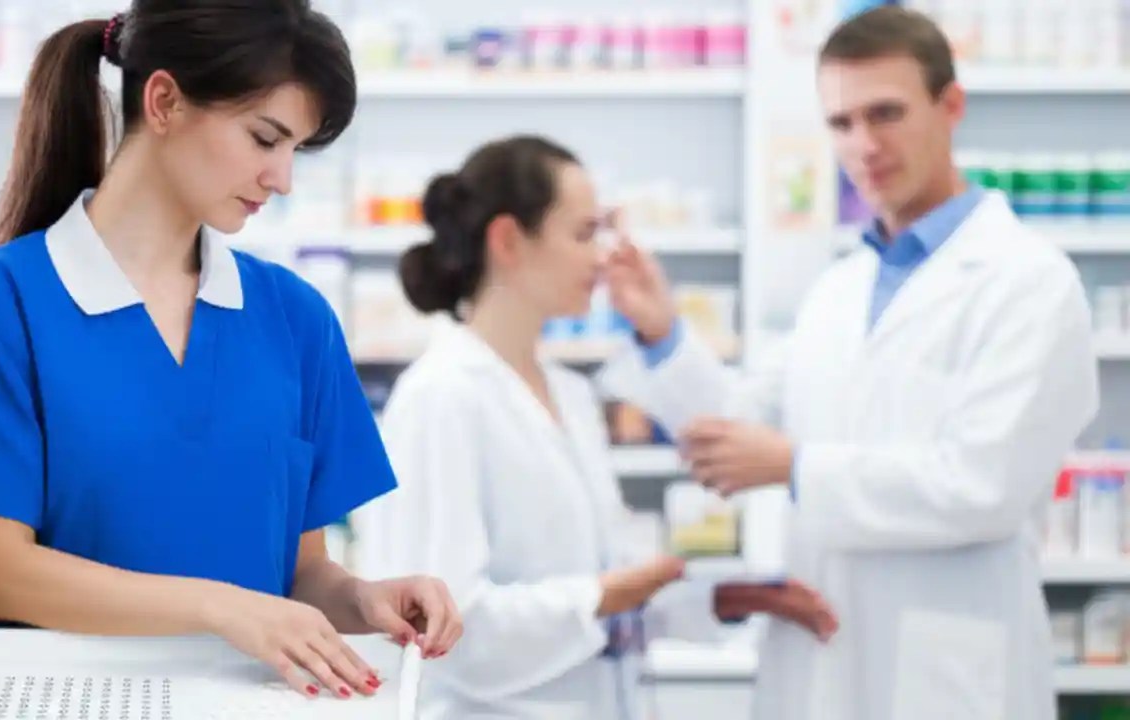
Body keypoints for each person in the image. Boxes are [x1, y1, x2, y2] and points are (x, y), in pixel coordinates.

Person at [0, 0, 461, 700]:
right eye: (264, 138)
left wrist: (363, 601)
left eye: (295, 151)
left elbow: (301, 574)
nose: (282, 179)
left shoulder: (294, 318)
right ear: (163, 101)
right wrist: (219, 608)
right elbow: (0, 575)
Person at [601, 7, 1098, 720]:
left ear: (950, 106)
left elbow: (984, 484)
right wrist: (661, 332)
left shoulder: (1028, 282)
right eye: (841, 123)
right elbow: (740, 427)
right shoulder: (839, 288)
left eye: (886, 113)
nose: (863, 144)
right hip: (824, 652)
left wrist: (796, 467)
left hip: (948, 669)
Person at [352, 135, 838, 720]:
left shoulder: (572, 393)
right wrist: (606, 595)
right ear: (508, 240)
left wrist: (719, 600)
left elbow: (596, 602)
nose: (603, 256)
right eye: (584, 234)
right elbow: (444, 631)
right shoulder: (442, 397)